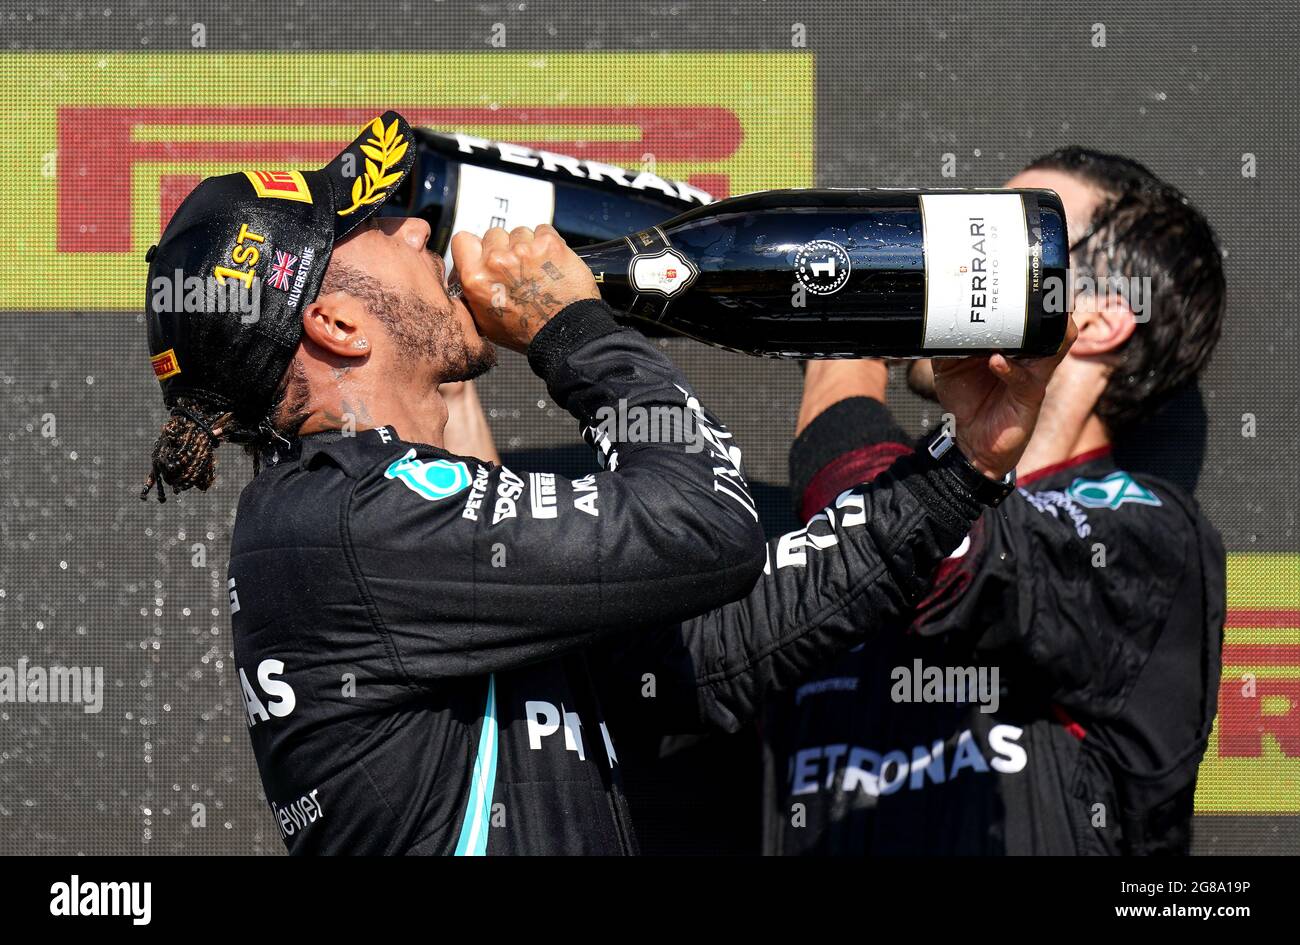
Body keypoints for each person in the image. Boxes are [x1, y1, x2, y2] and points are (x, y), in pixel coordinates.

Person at [140, 110, 1069, 855]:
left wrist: (966, 466)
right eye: (374, 227)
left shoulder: (378, 527)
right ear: (338, 323)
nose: (420, 224)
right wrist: (572, 327)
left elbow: (716, 652)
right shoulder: (335, 523)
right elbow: (705, 522)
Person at [776, 147, 1228, 854]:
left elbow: (911, 549)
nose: (959, 258)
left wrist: (847, 336)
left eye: (1004, 237)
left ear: (1104, 318)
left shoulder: (1143, 531)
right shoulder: (794, 537)